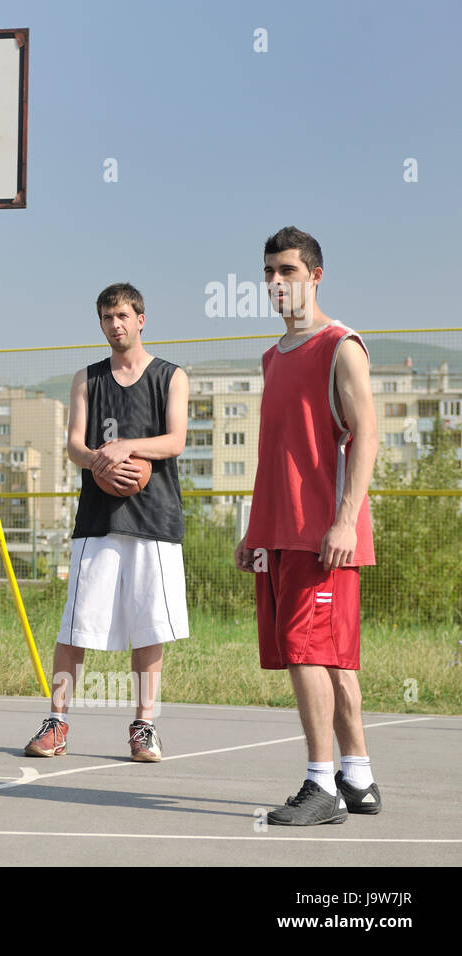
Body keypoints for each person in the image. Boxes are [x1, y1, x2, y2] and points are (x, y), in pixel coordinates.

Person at [236, 226, 381, 826]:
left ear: (314, 276)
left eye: (287, 271)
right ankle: (358, 778)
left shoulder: (340, 345)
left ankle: (320, 784)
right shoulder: (274, 356)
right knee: (331, 658)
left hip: (324, 534)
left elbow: (367, 435)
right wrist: (254, 531)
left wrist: (345, 521)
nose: (275, 282)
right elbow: (277, 453)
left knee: (305, 652)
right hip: (281, 532)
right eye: (268, 272)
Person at [23, 283, 189, 762]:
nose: (114, 325)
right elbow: (75, 445)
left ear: (140, 318)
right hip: (98, 519)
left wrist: (126, 448)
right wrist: (100, 459)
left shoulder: (170, 376)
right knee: (76, 625)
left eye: (122, 315)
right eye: (106, 317)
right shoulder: (87, 379)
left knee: (150, 627)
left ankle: (144, 725)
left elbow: (175, 441)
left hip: (154, 519)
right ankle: (56, 723)